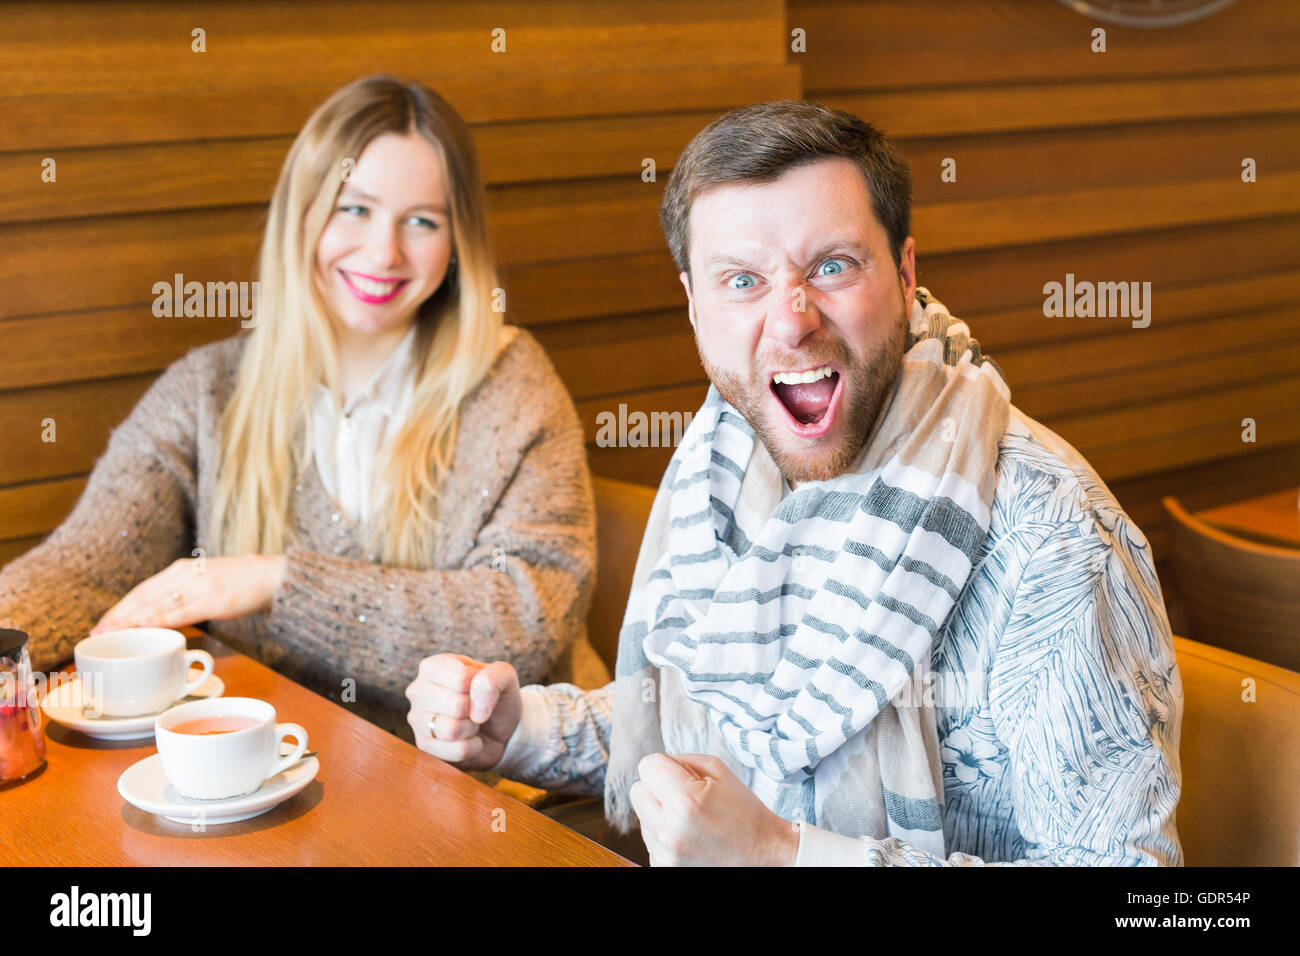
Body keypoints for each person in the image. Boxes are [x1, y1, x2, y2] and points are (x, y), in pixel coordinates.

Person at [405, 100, 1183, 866]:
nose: (791, 320)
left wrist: (784, 855)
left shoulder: (1054, 538)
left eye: (832, 266)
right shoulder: (724, 465)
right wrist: (520, 728)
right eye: (742, 280)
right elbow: (725, 719)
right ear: (694, 305)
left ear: (905, 273)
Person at [0, 76, 605, 741]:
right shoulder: (209, 389)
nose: (384, 252)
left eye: (423, 221)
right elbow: (83, 566)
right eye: (355, 209)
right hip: (272, 773)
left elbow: (523, 627)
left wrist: (278, 581)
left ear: (459, 241)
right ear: (302, 214)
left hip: (492, 787)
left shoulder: (511, 387)